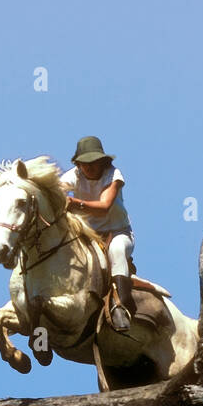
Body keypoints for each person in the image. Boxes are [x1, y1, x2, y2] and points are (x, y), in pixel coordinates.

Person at [59, 136, 136, 332]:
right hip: (86, 234)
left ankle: (121, 306)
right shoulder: (73, 176)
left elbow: (104, 207)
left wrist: (75, 203)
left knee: (117, 251)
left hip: (116, 232)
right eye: (85, 163)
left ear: (103, 161)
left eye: (94, 162)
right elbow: (55, 191)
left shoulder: (114, 175)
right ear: (78, 164)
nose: (90, 167)